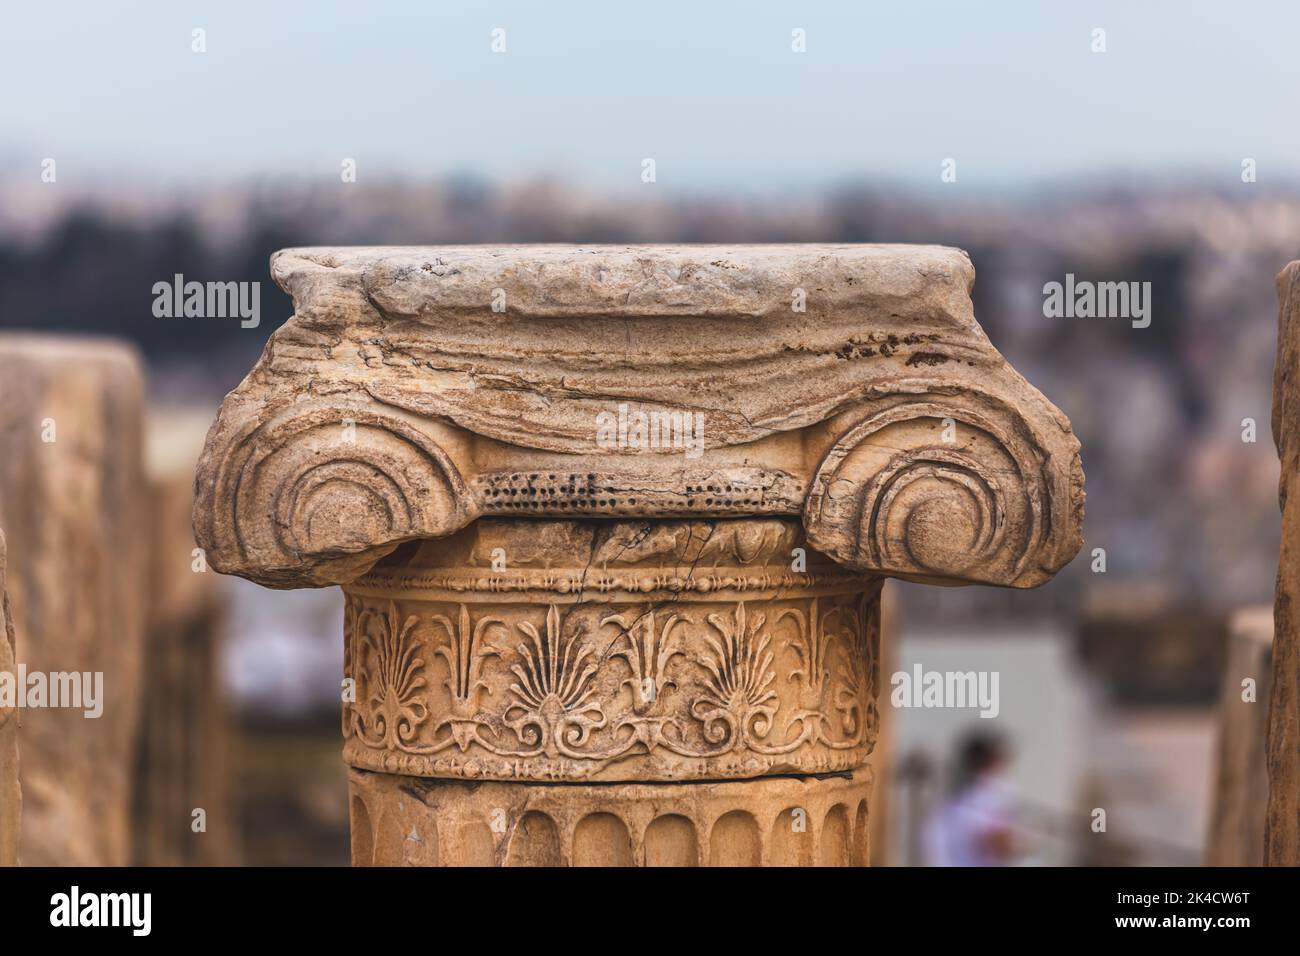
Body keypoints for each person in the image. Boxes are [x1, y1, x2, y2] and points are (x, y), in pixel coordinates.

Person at [923, 730, 1019, 866]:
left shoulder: (1002, 794)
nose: (1001, 773)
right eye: (995, 765)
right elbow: (936, 846)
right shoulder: (958, 807)